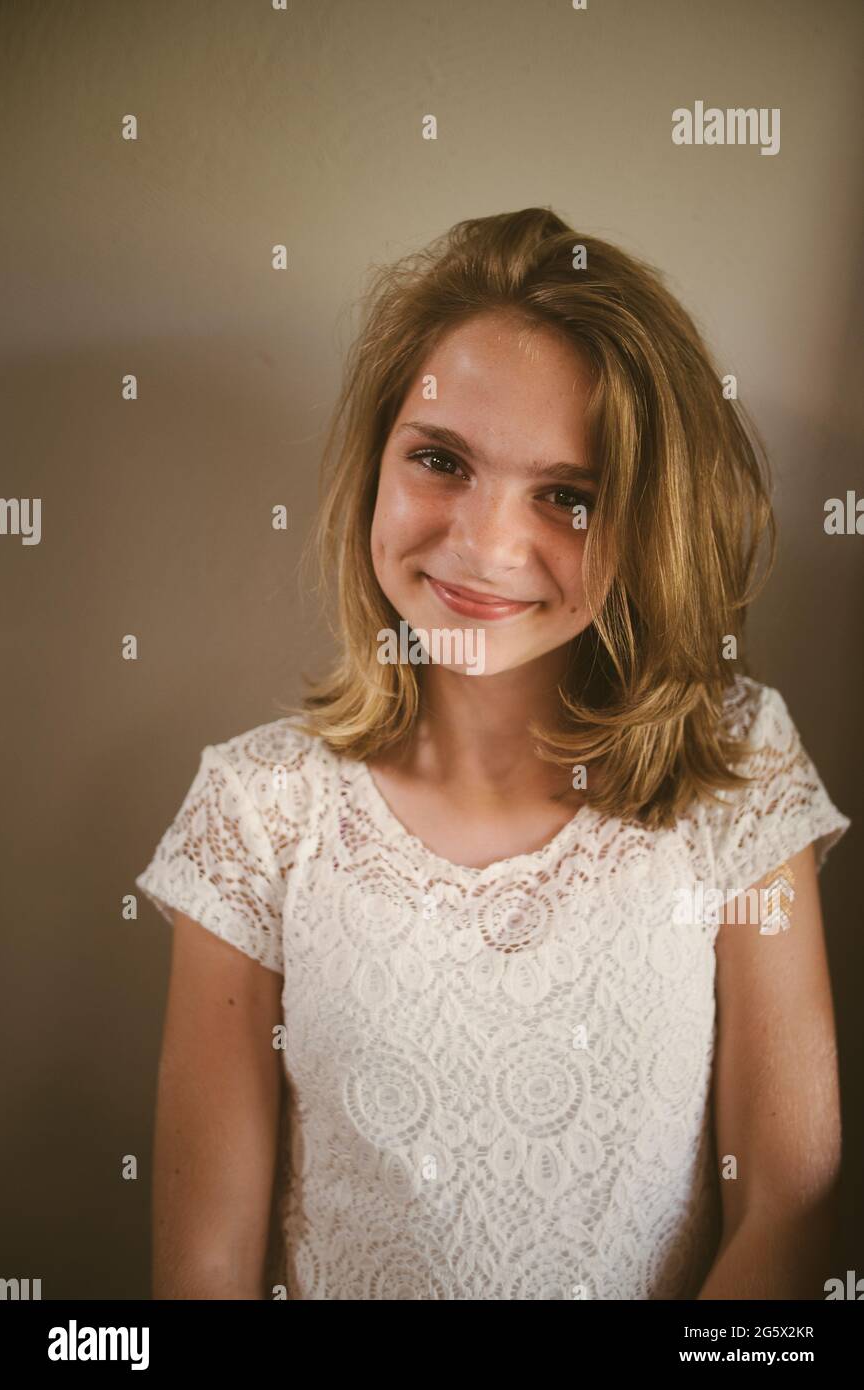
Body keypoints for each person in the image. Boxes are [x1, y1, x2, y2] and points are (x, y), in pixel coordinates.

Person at [136, 207, 851, 1300]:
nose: (482, 544)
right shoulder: (254, 811)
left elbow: (786, 1203)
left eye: (567, 495)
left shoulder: (734, 765)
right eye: (440, 460)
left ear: (643, 521)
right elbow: (204, 1269)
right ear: (374, 459)